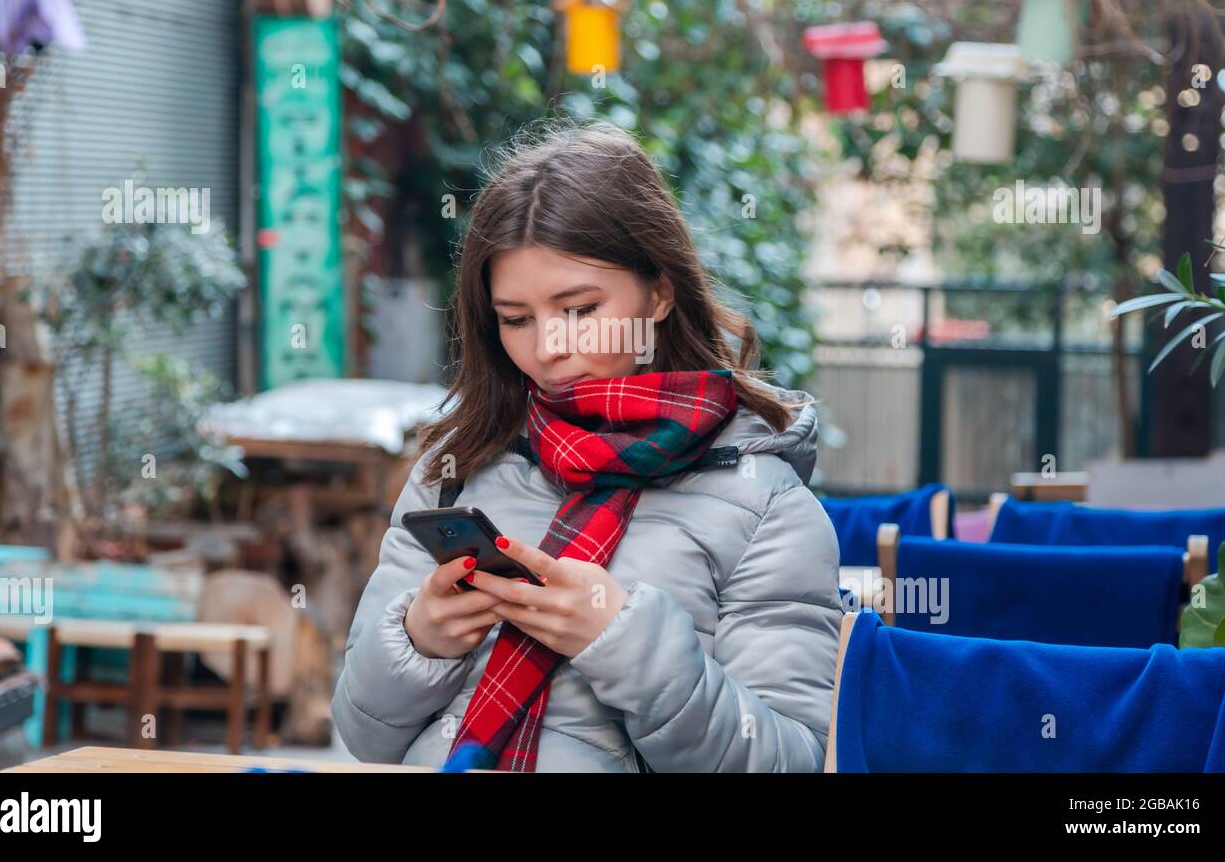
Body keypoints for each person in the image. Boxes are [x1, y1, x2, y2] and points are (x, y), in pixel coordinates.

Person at [332, 120, 843, 772]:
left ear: (659, 293)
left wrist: (627, 644)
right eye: (516, 319)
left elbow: (789, 760)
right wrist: (420, 639)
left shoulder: (765, 504)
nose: (548, 347)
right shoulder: (457, 466)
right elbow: (363, 735)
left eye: (579, 310)